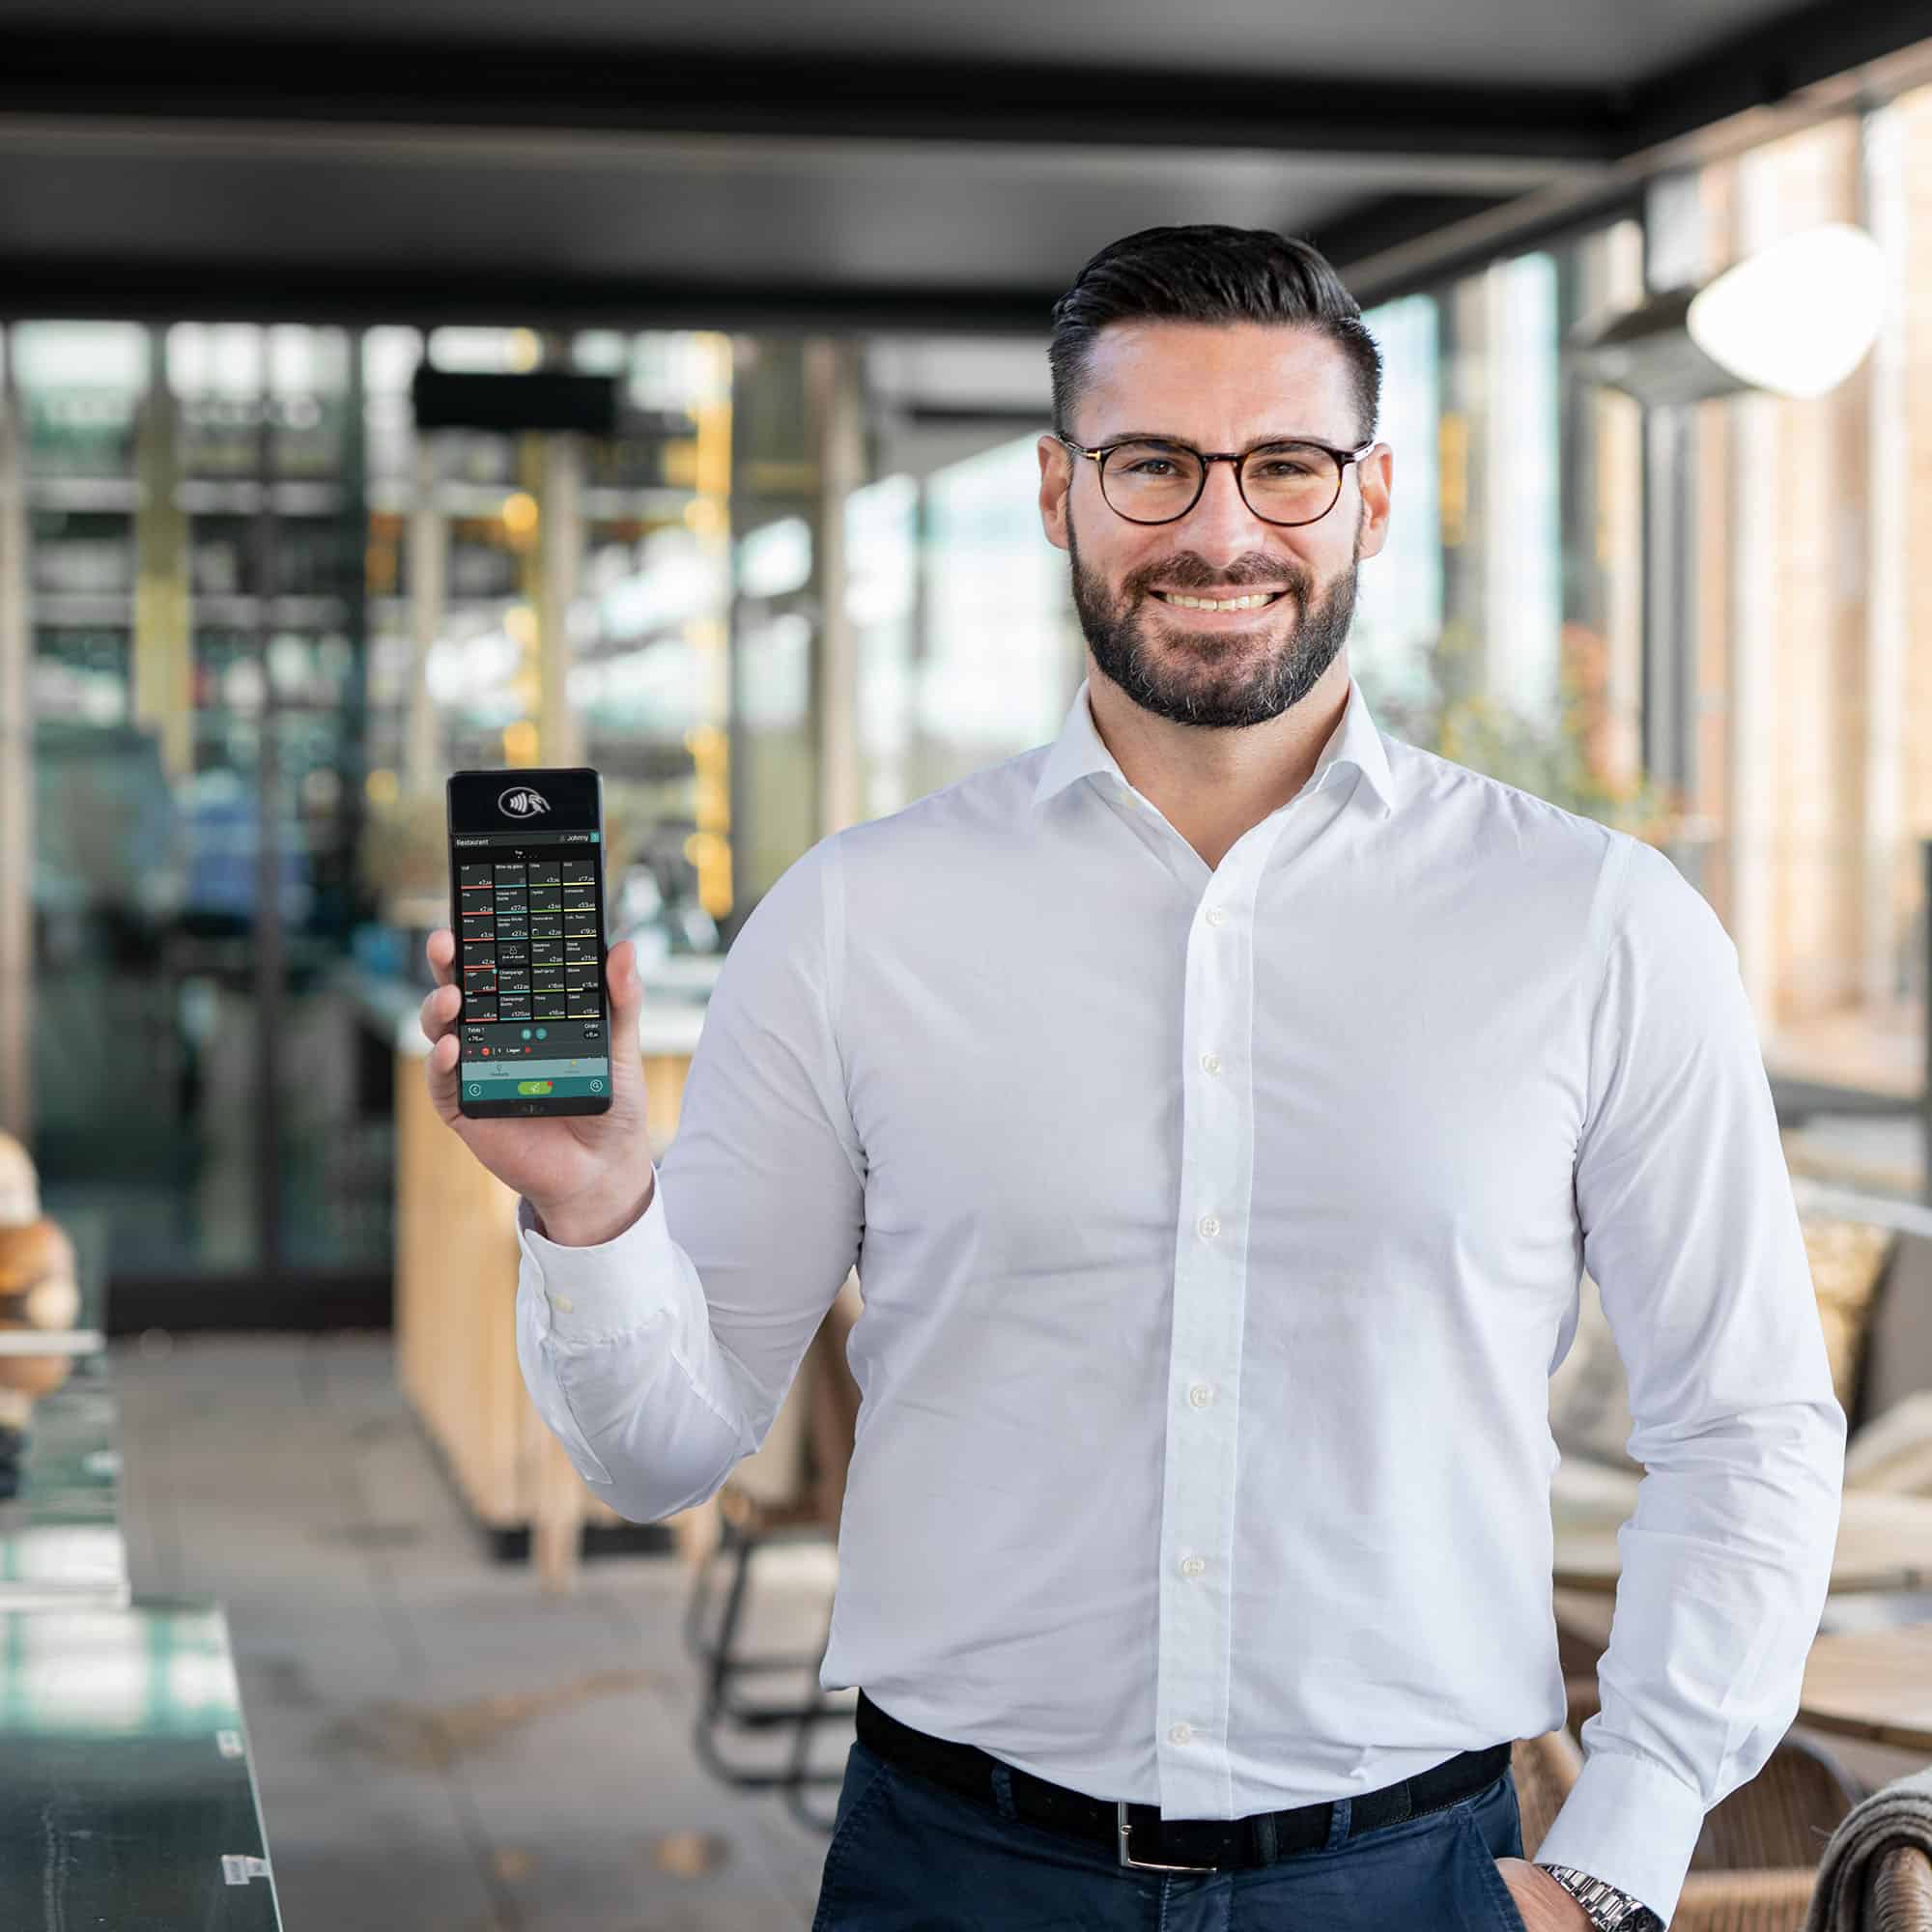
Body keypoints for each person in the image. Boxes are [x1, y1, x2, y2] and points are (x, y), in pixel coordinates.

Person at [416, 225, 1844, 1932]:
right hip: (954, 1873)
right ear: (1056, 491)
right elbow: (658, 1454)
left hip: (1411, 1880)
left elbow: (1744, 1424)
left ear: (1373, 497)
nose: (1221, 529)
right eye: (1153, 465)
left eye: (1286, 467)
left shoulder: (1600, 925)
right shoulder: (861, 920)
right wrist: (594, 1215)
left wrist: (1622, 1860)